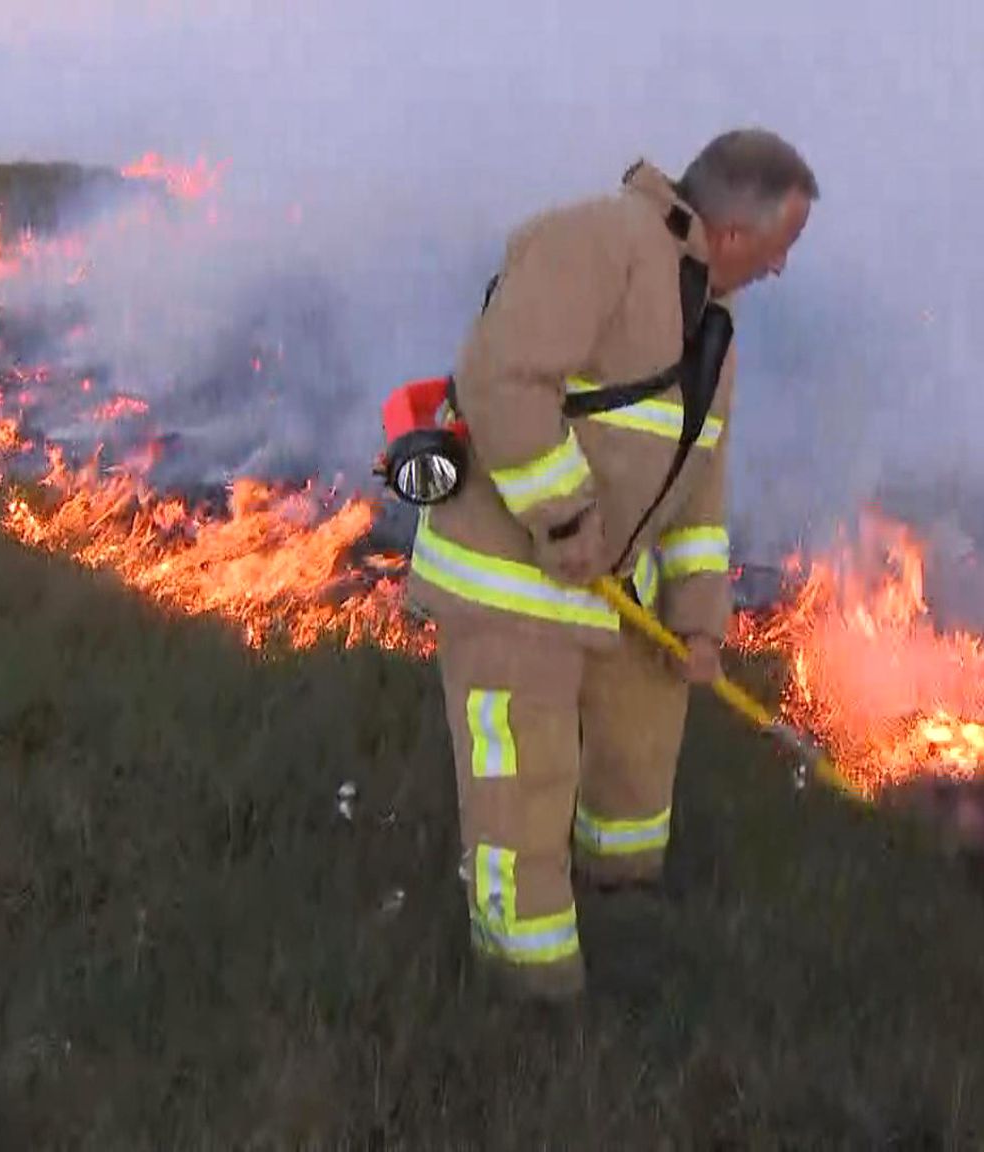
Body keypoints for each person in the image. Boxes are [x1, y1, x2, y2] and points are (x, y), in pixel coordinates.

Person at [406, 128, 817, 1000]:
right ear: (738, 230)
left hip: (608, 582)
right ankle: (529, 993)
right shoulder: (598, 243)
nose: (781, 269)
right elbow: (500, 375)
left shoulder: (713, 328)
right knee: (527, 779)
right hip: (512, 575)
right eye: (783, 247)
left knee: (645, 733)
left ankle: (624, 900)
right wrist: (563, 519)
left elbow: (698, 495)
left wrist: (699, 621)